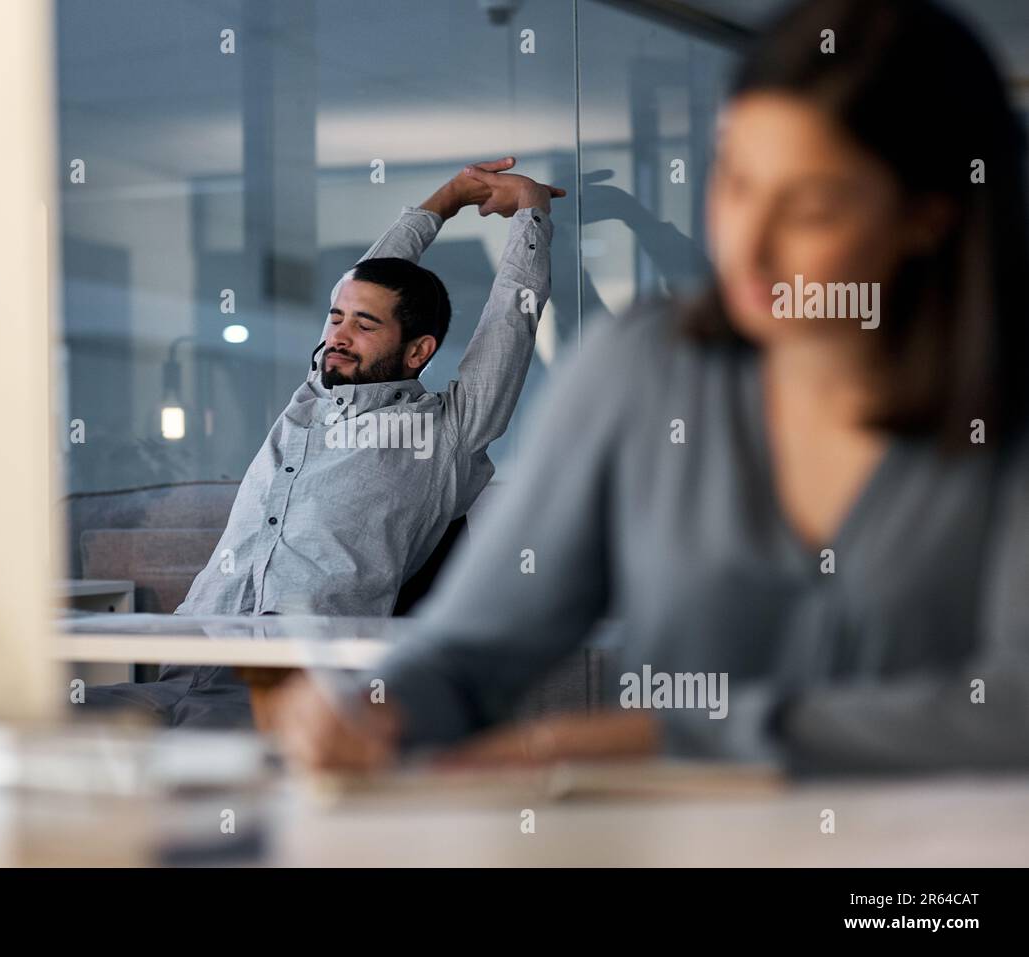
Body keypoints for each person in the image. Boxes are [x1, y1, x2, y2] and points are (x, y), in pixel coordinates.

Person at [273, 0, 1029, 776]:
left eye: (811, 205)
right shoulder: (641, 373)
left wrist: (673, 738)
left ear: (930, 217)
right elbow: (473, 648)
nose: (748, 242)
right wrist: (375, 704)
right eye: (733, 181)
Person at [85, 157, 566, 727]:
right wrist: (447, 199)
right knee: (30, 734)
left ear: (417, 351)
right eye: (336, 318)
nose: (338, 335)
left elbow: (513, 316)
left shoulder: (448, 431)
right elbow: (366, 278)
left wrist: (531, 211)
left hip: (290, 691)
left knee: (182, 783)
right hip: (185, 667)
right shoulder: (312, 398)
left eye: (365, 326)